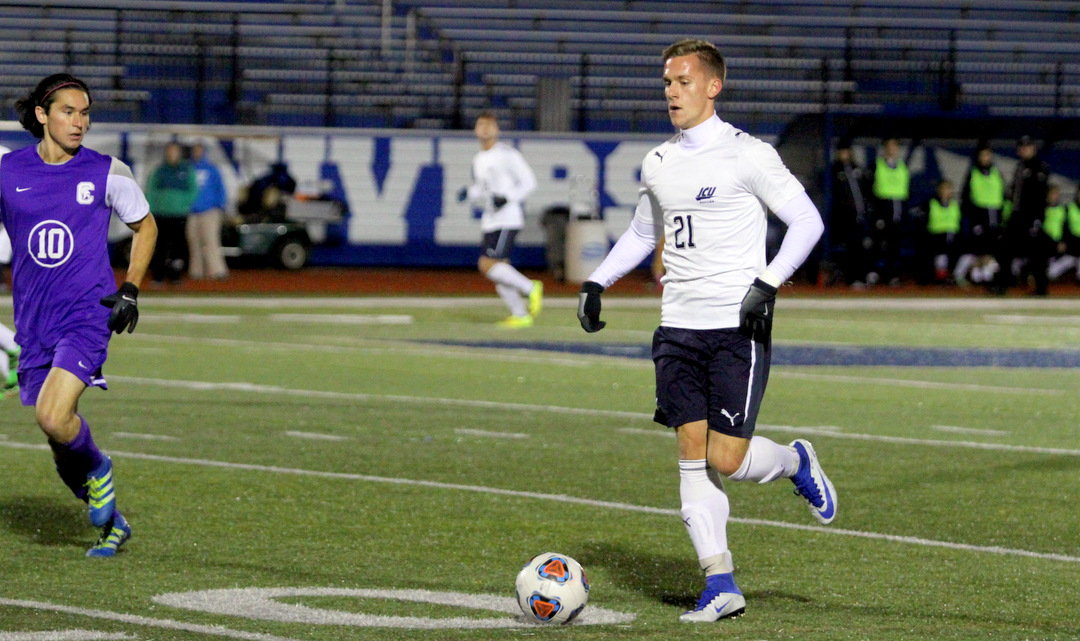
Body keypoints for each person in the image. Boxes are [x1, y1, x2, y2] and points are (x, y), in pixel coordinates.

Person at [575, 39, 835, 623]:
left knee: (728, 458)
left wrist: (767, 283)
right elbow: (644, 233)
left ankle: (796, 462)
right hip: (677, 328)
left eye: (683, 81)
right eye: (667, 82)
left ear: (713, 87)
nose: (672, 92)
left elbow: (806, 221)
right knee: (692, 455)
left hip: (735, 326)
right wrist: (596, 282)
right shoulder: (658, 161)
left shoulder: (748, 154)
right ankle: (720, 582)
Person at [0, 73, 157, 556]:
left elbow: (146, 227)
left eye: (85, 113)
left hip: (87, 313)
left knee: (52, 416)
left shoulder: (107, 171)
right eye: (68, 111)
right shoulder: (8, 170)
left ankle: (101, 468)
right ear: (42, 115)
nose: (79, 122)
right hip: (34, 320)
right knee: (58, 437)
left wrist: (130, 288)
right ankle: (114, 523)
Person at [457, 111, 542, 328]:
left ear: (496, 129)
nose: (485, 129)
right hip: (490, 219)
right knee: (499, 270)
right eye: (481, 124)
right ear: (476, 130)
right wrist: (469, 193)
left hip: (507, 218)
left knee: (487, 264)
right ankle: (520, 314)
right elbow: (483, 188)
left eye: (489, 125)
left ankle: (531, 287)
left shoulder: (507, 154)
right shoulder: (478, 159)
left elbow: (530, 182)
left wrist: (508, 198)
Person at [996, 135, 1052, 295]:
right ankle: (1004, 283)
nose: (1024, 150)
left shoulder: (1039, 167)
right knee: (1005, 248)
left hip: (1031, 217)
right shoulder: (1020, 166)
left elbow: (1040, 195)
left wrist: (1037, 219)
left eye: (1027, 147)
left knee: (1037, 253)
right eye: (1022, 147)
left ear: (1033, 149)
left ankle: (1041, 287)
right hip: (1017, 216)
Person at [954, 143, 1004, 286]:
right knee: (976, 247)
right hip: (978, 216)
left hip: (994, 215)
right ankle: (962, 274)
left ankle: (984, 276)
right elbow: (965, 196)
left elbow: (1003, 195)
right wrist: (970, 216)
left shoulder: (996, 173)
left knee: (991, 248)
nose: (985, 158)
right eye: (982, 155)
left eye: (987, 155)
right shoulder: (973, 173)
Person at [146, 141, 196, 284]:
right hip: (161, 214)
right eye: (170, 151)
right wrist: (152, 208)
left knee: (178, 247)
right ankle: (158, 275)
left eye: (175, 151)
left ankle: (175, 276)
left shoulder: (186, 170)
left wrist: (183, 204)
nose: (172, 154)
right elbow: (151, 190)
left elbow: (193, 190)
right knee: (160, 246)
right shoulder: (160, 170)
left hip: (179, 214)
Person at [867, 136, 910, 284]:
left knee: (894, 244)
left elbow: (905, 190)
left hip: (897, 210)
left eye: (895, 146)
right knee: (878, 242)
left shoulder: (902, 166)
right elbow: (870, 189)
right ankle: (873, 273)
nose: (892, 149)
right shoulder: (877, 165)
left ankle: (891, 275)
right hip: (882, 209)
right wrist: (876, 212)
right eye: (889, 146)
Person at [828, 140, 870, 286]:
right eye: (842, 151)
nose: (845, 154)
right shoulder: (834, 170)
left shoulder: (856, 168)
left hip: (859, 215)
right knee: (851, 247)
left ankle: (860, 277)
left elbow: (864, 190)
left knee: (859, 246)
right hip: (843, 217)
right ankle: (851, 277)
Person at [186, 143, 228, 280]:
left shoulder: (212, 169)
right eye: (195, 150)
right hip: (192, 212)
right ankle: (196, 271)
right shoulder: (188, 168)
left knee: (211, 241)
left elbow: (220, 188)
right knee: (193, 242)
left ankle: (216, 270)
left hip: (210, 211)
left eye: (199, 150)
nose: (197, 153)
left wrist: (220, 205)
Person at [924, 179, 960, 283]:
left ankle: (952, 274)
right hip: (935, 237)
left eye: (948, 189)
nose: (946, 192)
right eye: (943, 189)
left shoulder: (955, 205)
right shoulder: (931, 204)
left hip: (952, 237)